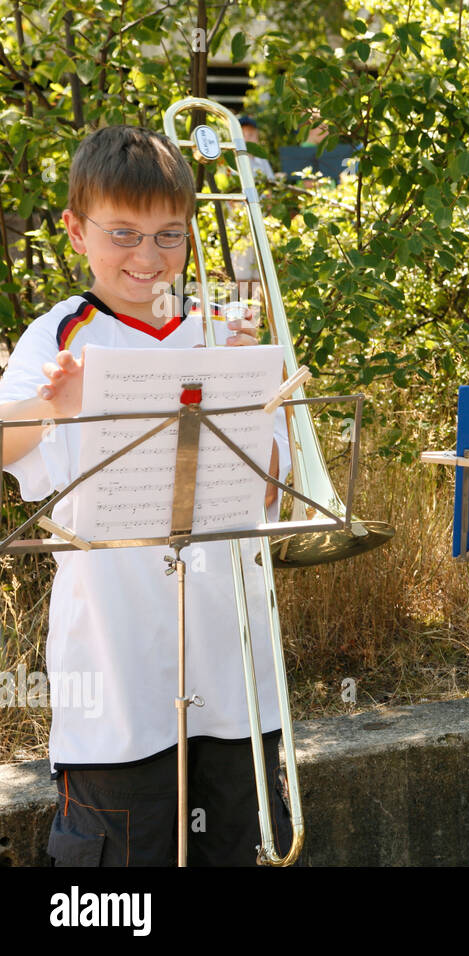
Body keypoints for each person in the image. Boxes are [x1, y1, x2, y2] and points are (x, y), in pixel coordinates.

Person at [0, 125, 291, 866]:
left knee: (239, 844)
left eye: (169, 236)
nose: (148, 257)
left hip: (233, 663)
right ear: (76, 230)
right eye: (123, 233)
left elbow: (269, 492)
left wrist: (269, 422)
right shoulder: (59, 335)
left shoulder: (223, 333)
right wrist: (50, 411)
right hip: (117, 665)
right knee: (115, 880)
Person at [237, 115, 276, 180]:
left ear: (257, 137)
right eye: (242, 135)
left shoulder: (262, 159)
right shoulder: (235, 161)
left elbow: (271, 181)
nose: (246, 139)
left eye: (250, 135)